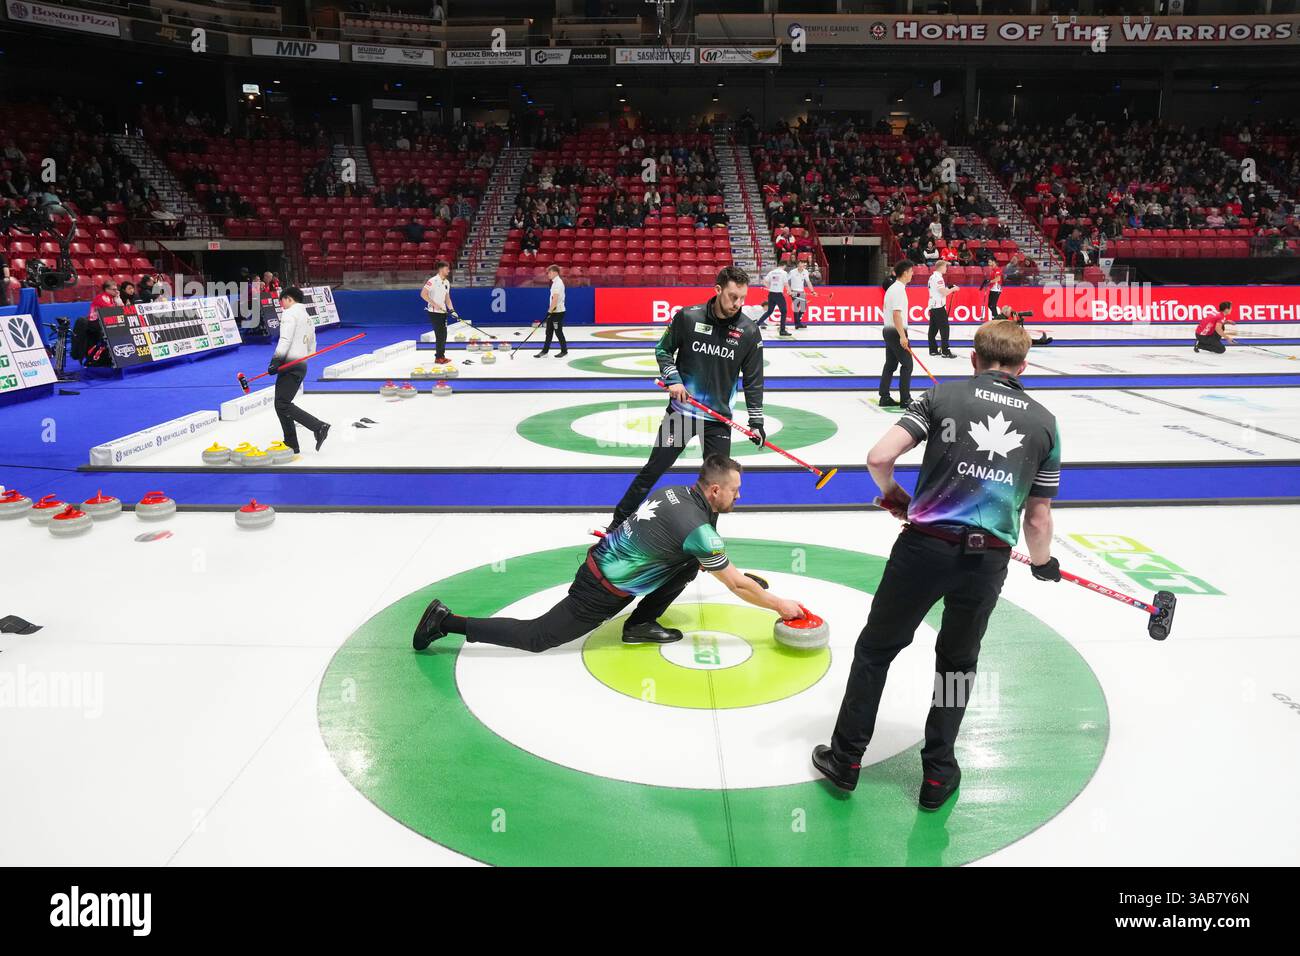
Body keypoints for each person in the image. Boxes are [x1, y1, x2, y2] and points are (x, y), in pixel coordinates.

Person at [813, 319, 1062, 810]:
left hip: (923, 548)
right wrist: (1043, 564)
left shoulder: (941, 397)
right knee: (957, 664)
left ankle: (845, 761)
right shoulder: (1044, 422)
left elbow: (878, 456)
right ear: (1024, 365)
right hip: (985, 561)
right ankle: (937, 774)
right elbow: (1037, 518)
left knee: (876, 651)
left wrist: (895, 497)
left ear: (974, 358)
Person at [412, 456, 804, 652]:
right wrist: (779, 605)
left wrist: (734, 575)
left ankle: (638, 626)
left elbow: (708, 561)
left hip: (603, 563)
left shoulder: (675, 492)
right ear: (715, 491)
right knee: (538, 637)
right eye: (736, 490)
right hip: (601, 589)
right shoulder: (699, 530)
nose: (741, 496)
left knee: (687, 566)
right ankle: (447, 622)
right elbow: (735, 584)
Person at [608, 266, 763, 531]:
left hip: (718, 420)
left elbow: (753, 380)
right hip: (682, 414)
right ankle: (617, 524)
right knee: (653, 470)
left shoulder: (748, 331)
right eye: (732, 297)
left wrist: (756, 421)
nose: (738, 304)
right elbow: (662, 350)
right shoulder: (688, 317)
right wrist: (674, 379)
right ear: (717, 290)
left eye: (742, 298)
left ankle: (706, 539)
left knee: (718, 487)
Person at [269, 287, 330, 455]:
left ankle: (318, 426)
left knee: (282, 404)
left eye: (281, 302)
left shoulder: (290, 313)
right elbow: (313, 343)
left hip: (290, 363)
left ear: (288, 299)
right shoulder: (307, 317)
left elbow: (285, 339)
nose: (281, 306)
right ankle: (291, 443)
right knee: (281, 403)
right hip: (301, 363)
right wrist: (303, 357)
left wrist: (276, 360)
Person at [879, 259, 915, 408]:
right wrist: (902, 336)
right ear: (905, 273)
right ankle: (905, 399)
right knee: (907, 364)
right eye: (911, 272)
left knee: (891, 364)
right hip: (895, 331)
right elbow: (896, 315)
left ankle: (884, 396)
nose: (912, 274)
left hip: (888, 329)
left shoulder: (892, 288)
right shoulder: (899, 289)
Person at [420, 259, 456, 365]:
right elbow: (423, 294)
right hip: (434, 312)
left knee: (443, 335)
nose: (449, 271)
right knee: (439, 335)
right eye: (447, 268)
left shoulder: (446, 282)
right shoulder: (432, 281)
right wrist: (434, 303)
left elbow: (447, 298)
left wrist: (452, 310)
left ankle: (441, 356)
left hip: (443, 312)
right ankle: (438, 357)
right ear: (441, 269)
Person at [926, 259, 958, 358]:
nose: (946, 268)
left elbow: (939, 290)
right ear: (941, 267)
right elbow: (943, 292)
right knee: (945, 328)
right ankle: (945, 350)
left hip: (933, 305)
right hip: (938, 306)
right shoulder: (938, 278)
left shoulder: (932, 277)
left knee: (933, 328)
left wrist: (949, 288)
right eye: (945, 266)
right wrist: (953, 289)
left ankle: (933, 349)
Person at [535, 263, 568, 358]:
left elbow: (555, 298)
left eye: (549, 272)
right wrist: (551, 311)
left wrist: (550, 311)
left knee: (558, 331)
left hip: (558, 312)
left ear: (555, 273)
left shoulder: (558, 283)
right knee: (548, 331)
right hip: (554, 311)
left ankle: (564, 351)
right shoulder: (554, 282)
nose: (548, 274)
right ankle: (545, 351)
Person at [784, 260, 816, 337]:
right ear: (797, 265)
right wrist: (788, 290)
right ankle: (797, 324)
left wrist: (812, 291)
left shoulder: (805, 271)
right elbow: (786, 281)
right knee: (796, 307)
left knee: (803, 307)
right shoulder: (792, 272)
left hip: (801, 292)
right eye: (801, 265)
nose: (802, 267)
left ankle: (797, 322)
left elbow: (808, 282)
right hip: (794, 292)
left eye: (803, 265)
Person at [757, 262, 789, 328]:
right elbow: (786, 284)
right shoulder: (784, 273)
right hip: (778, 294)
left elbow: (764, 282)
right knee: (784, 311)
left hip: (771, 294)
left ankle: (757, 325)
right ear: (784, 266)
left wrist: (770, 287)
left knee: (769, 311)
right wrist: (789, 291)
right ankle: (782, 330)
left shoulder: (771, 272)